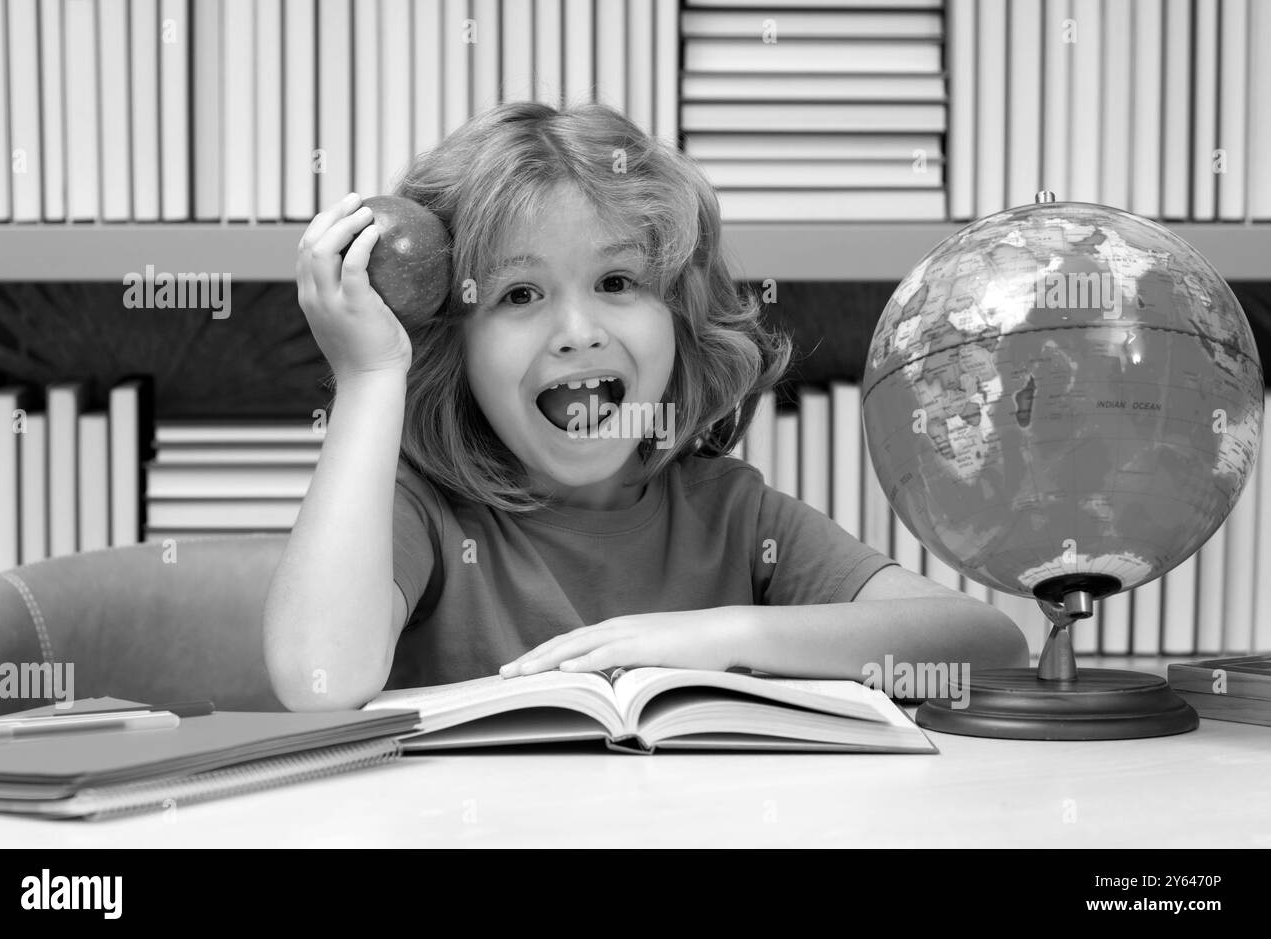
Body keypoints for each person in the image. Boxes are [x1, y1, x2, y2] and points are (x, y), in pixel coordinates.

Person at [263, 102, 1028, 711]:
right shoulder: (421, 512)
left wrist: (718, 636)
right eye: (519, 294)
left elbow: (985, 643)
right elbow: (319, 677)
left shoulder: (735, 517)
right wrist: (369, 376)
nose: (578, 333)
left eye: (618, 283)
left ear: (681, 319)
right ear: (452, 343)